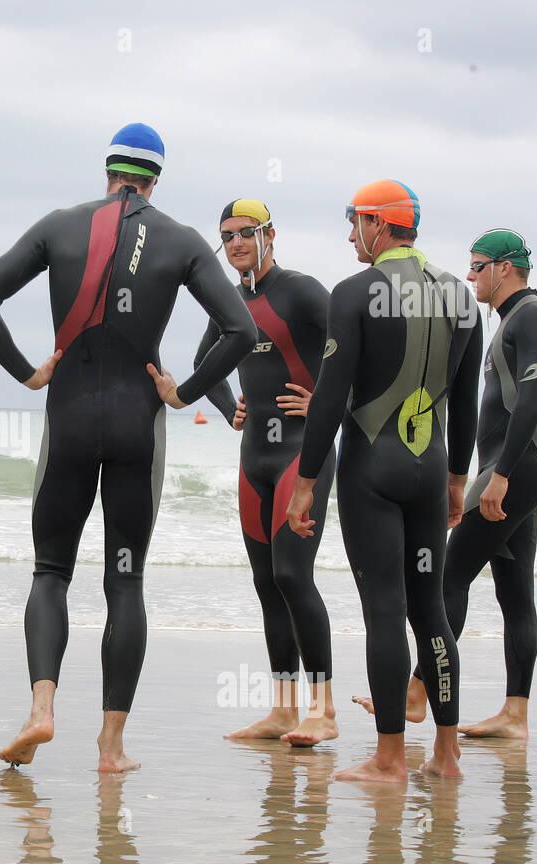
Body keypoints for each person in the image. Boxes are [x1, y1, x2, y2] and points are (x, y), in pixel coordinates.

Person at [0, 124, 256, 771]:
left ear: (109, 171)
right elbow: (240, 329)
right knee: (125, 581)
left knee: (50, 572)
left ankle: (41, 711)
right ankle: (111, 747)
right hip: (136, 424)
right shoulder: (180, 240)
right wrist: (185, 392)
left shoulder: (59, 226)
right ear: (155, 179)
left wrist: (26, 371)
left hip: (68, 418)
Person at [286, 180, 482, 782]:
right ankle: (447, 757)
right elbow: (467, 402)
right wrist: (456, 481)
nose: (350, 235)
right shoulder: (461, 297)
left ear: (379, 224)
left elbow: (330, 399)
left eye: (355, 222)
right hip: (430, 471)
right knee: (432, 610)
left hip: (373, 468)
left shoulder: (355, 292)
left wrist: (305, 482)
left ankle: (391, 757)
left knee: (384, 609)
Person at [396, 230, 537, 740]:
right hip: (515, 471)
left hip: (514, 471)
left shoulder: (533, 317)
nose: (469, 275)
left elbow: (532, 404)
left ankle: (416, 693)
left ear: (505, 268)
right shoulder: (514, 320)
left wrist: (503, 477)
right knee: (516, 596)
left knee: (447, 578)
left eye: (476, 266)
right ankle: (515, 715)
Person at [198, 200, 338, 746]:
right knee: (265, 582)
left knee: (292, 576)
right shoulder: (230, 303)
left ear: (269, 235)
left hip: (302, 456)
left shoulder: (300, 291)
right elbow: (205, 361)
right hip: (253, 459)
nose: (235, 244)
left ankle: (322, 710)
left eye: (244, 234)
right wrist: (230, 401)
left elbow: (348, 349)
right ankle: (283, 709)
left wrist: (325, 401)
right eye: (226, 236)